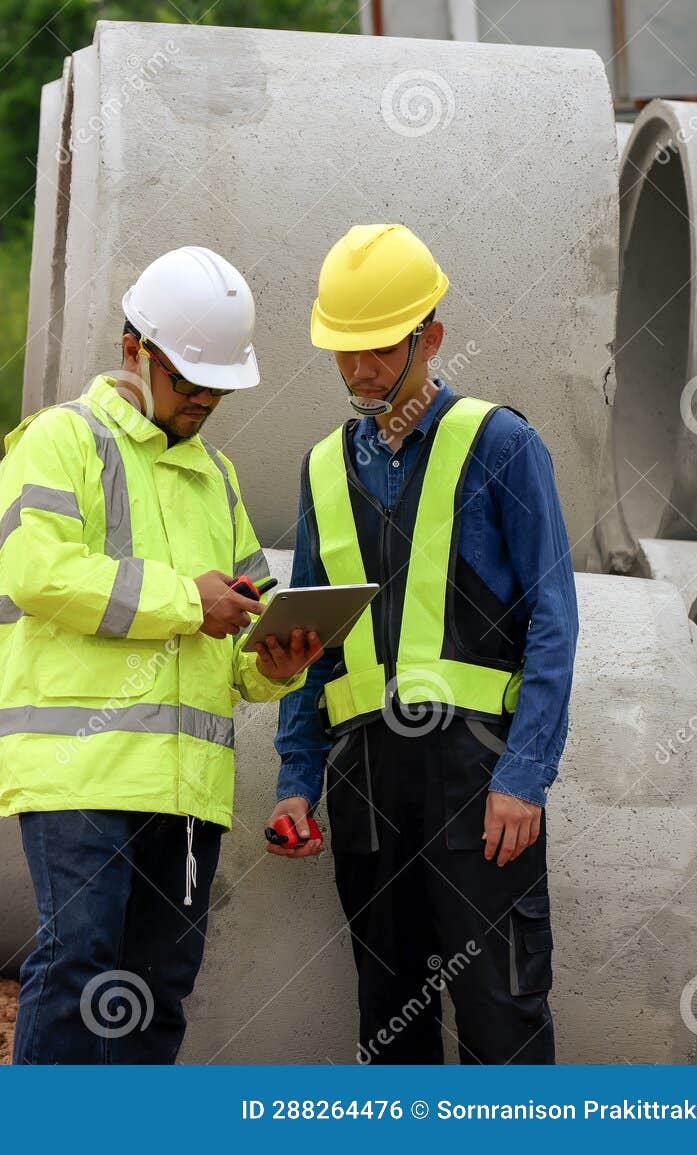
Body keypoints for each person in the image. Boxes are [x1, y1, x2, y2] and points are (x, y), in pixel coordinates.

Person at [0, 245, 322, 1064]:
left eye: (218, 388)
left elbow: (239, 638)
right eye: (190, 382)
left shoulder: (218, 478)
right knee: (78, 966)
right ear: (135, 350)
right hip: (82, 768)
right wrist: (187, 601)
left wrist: (276, 660)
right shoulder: (62, 440)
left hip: (184, 789)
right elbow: (38, 572)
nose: (205, 400)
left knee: (156, 992)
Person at [269, 224, 578, 1064]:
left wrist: (524, 775)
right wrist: (297, 780)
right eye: (344, 352)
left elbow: (555, 616)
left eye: (378, 350)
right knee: (389, 1024)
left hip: (478, 783)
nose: (361, 371)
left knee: (499, 1019)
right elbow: (308, 640)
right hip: (366, 785)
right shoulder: (324, 468)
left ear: (429, 337)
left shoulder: (501, 445)